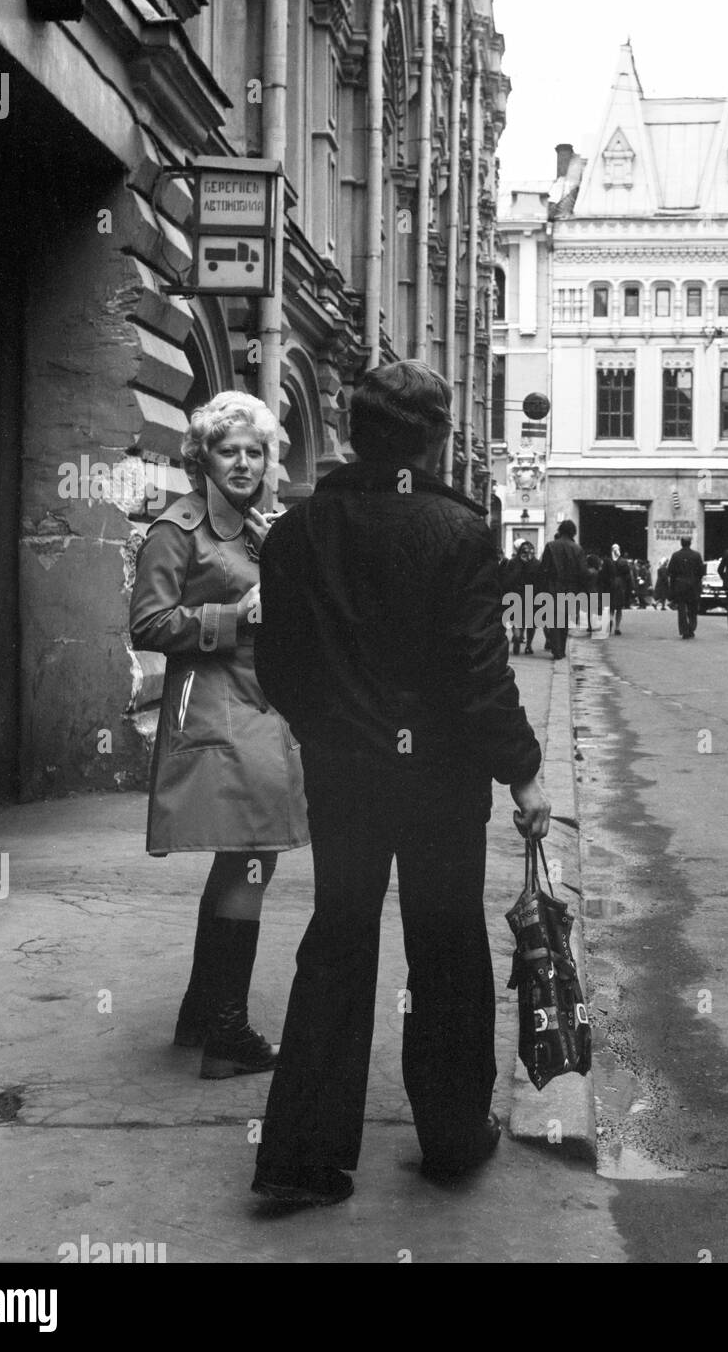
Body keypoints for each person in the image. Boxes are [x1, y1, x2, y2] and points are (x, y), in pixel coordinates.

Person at [249, 360, 551, 1206]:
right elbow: (478, 673)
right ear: (438, 439)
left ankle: (303, 1158)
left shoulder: (296, 533)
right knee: (447, 945)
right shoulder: (457, 533)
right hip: (441, 782)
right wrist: (523, 772)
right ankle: (453, 1135)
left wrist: (333, 733)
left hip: (344, 773)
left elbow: (278, 666)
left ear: (350, 432)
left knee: (338, 938)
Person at [129, 390, 309, 1082]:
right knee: (251, 859)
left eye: (254, 451)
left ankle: (201, 1016)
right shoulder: (178, 531)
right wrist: (235, 617)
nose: (243, 461)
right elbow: (148, 623)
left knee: (240, 860)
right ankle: (227, 1034)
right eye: (228, 450)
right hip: (217, 714)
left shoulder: (262, 528)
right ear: (202, 456)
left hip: (262, 710)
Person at [538, 520, 587, 659]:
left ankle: (556, 649)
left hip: (553, 588)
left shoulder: (551, 546)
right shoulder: (578, 549)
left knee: (554, 620)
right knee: (565, 620)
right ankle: (561, 649)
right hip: (571, 589)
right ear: (573, 532)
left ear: (560, 530)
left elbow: (543, 569)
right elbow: (583, 573)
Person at [500, 540, 541, 655]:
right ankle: (528, 645)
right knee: (532, 623)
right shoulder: (537, 564)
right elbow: (540, 582)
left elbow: (507, 580)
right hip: (532, 596)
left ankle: (517, 636)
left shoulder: (513, 562)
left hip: (516, 594)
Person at [667, 535, 705, 638]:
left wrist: (673, 586)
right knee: (693, 609)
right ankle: (691, 628)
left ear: (681, 543)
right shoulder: (696, 555)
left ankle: (684, 630)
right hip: (693, 585)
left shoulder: (675, 555)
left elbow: (670, 571)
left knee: (682, 609)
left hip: (680, 585)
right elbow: (702, 572)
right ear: (690, 543)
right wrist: (696, 580)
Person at [604, 544, 632, 635]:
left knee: (611, 607)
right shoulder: (624, 561)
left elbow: (603, 574)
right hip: (620, 585)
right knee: (619, 608)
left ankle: (610, 619)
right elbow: (628, 576)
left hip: (610, 584)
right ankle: (617, 627)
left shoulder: (607, 561)